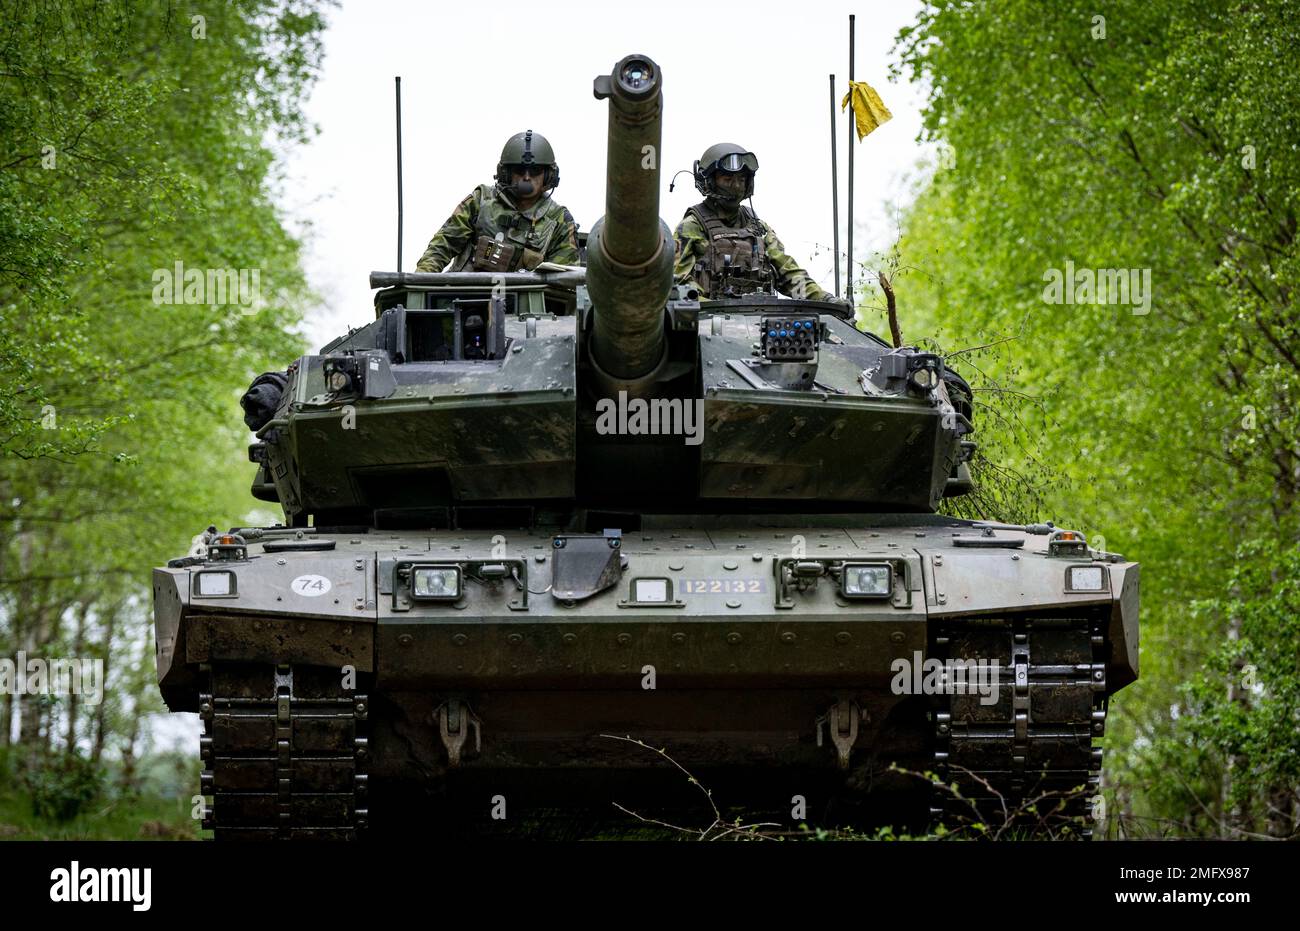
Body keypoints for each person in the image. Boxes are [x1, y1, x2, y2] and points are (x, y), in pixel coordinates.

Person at [673, 143, 836, 303]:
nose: (736, 186)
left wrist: (823, 298)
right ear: (709, 182)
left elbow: (788, 273)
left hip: (758, 321)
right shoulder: (692, 227)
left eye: (741, 179)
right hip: (709, 323)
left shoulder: (759, 228)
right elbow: (679, 284)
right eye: (727, 179)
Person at [414, 130, 580, 273]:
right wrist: (419, 283)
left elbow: (564, 279)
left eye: (535, 170)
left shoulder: (559, 220)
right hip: (464, 297)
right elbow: (443, 245)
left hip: (522, 306)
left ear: (549, 175)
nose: (527, 177)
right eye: (519, 170)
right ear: (506, 173)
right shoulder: (481, 201)